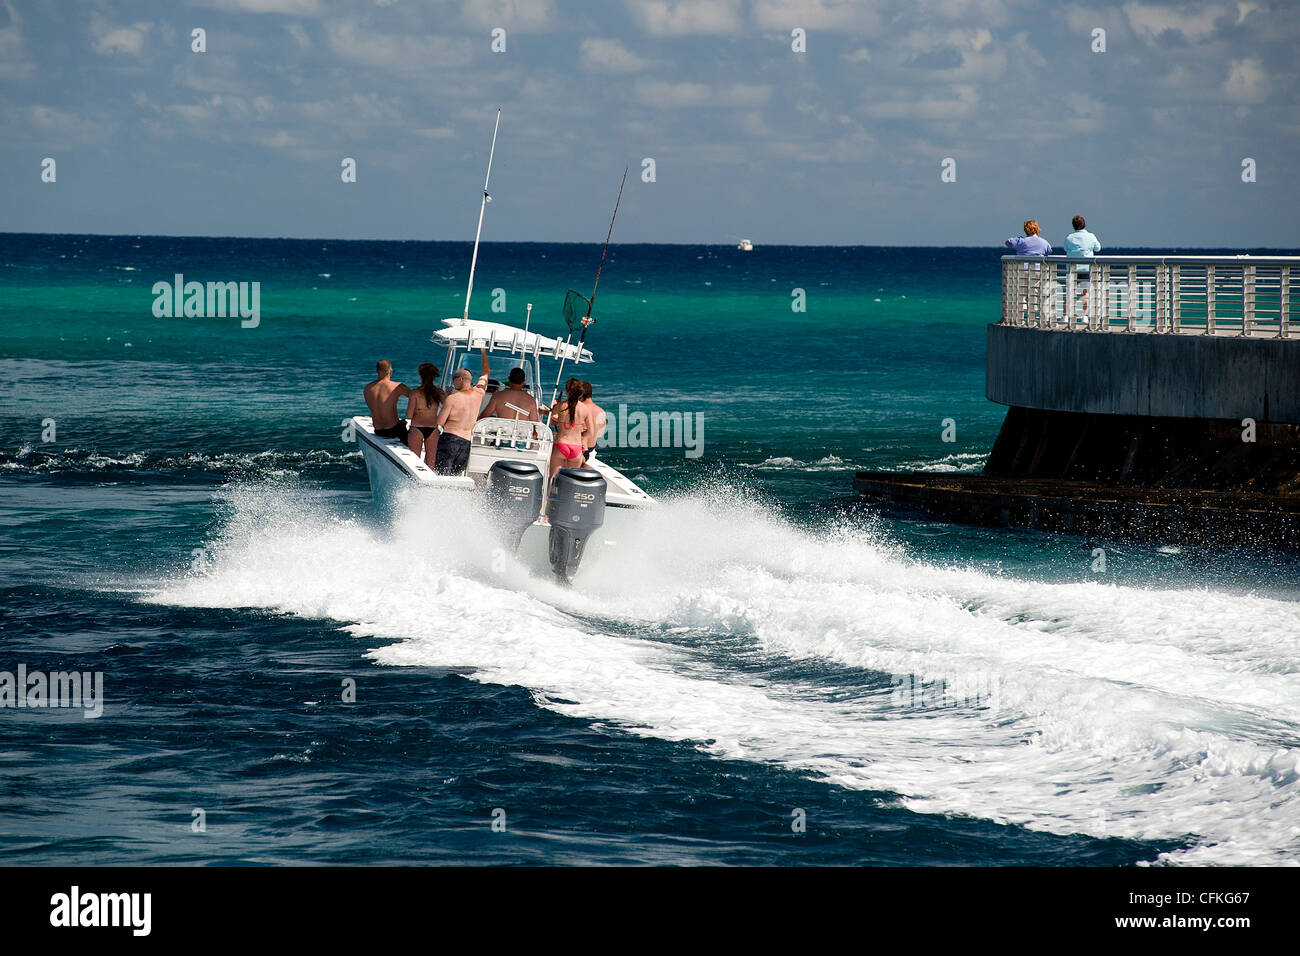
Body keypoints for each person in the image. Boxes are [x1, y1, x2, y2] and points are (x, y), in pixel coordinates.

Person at [434, 349, 490, 476]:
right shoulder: (479, 394)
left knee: (441, 476)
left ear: (459, 379)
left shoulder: (452, 399)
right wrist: (483, 352)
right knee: (455, 477)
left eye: (454, 378)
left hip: (450, 441)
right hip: (466, 443)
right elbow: (486, 373)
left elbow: (440, 422)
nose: (453, 382)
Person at [549, 378, 593, 480]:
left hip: (561, 445)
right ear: (580, 393)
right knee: (571, 480)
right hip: (577, 448)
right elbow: (590, 431)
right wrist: (583, 440)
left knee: (552, 478)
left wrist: (554, 407)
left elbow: (552, 422)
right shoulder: (585, 409)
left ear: (566, 391)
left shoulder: (560, 405)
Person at [406, 363, 445, 467]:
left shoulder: (415, 393)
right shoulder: (439, 393)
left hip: (417, 428)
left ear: (420, 377)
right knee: (431, 463)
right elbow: (448, 408)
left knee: (414, 463)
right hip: (433, 429)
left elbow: (409, 415)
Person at [364, 359, 411, 443]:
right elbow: (416, 397)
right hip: (394, 430)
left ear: (377, 371)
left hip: (378, 431)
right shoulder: (397, 386)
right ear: (391, 371)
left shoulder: (367, 388)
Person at [1063, 215, 1102, 313]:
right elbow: (1098, 248)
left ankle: (1065, 316)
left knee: (1069, 293)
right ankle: (1084, 316)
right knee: (1085, 293)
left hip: (1072, 269)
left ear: (1073, 226)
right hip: (1086, 268)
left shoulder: (1069, 238)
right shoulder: (1091, 236)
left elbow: (1065, 249)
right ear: (1084, 224)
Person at [579, 381, 606, 463]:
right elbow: (600, 434)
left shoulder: (579, 408)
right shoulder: (601, 411)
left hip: (578, 449)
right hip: (590, 449)